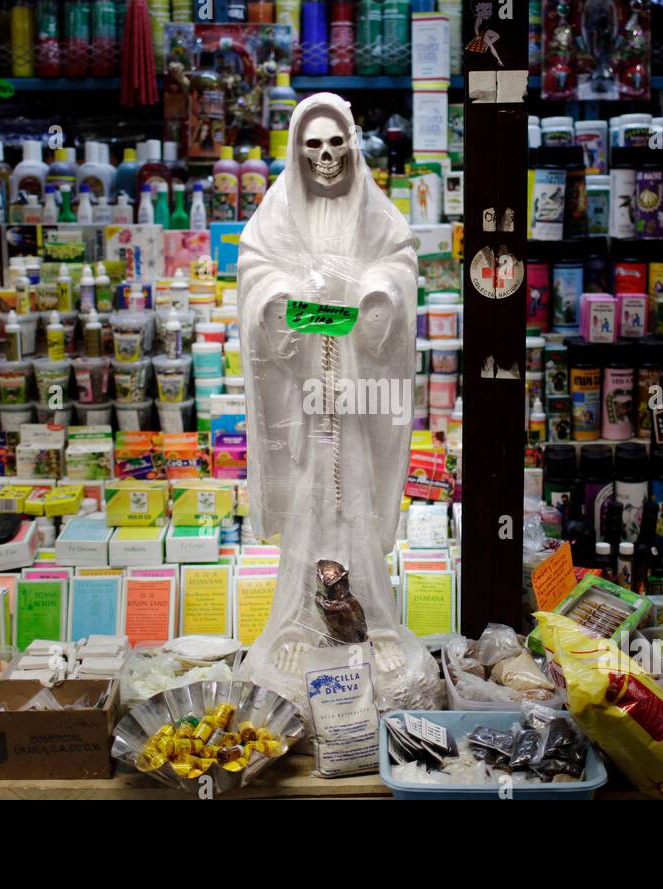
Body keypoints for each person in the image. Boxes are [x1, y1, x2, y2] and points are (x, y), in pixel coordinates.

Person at [236, 92, 439, 711]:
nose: (326, 156)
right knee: (307, 499)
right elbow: (254, 269)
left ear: (353, 143)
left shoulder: (377, 214)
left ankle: (370, 618)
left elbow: (399, 266)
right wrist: (278, 299)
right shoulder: (276, 215)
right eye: (312, 145)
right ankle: (300, 619)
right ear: (297, 150)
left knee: (351, 493)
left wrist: (377, 292)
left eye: (335, 142)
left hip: (356, 392)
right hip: (301, 390)